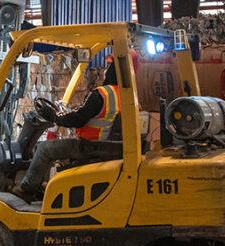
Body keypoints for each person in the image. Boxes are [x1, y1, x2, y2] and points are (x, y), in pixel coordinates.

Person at [16, 51, 139, 199]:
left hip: (90, 147)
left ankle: (27, 190)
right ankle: (45, 189)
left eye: (109, 65)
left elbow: (78, 119)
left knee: (43, 149)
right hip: (112, 148)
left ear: (114, 68)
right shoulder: (131, 97)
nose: (106, 70)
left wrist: (55, 117)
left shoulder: (102, 94)